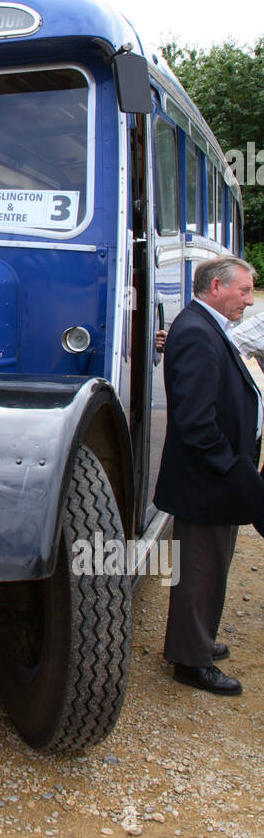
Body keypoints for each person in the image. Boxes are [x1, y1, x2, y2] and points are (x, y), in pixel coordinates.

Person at [154, 256, 264, 695]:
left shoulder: (205, 324)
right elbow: (196, 422)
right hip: (209, 479)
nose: (249, 300)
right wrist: (232, 468)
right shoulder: (199, 332)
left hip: (215, 478)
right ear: (216, 286)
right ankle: (189, 660)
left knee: (209, 568)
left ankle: (195, 640)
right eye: (244, 291)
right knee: (199, 570)